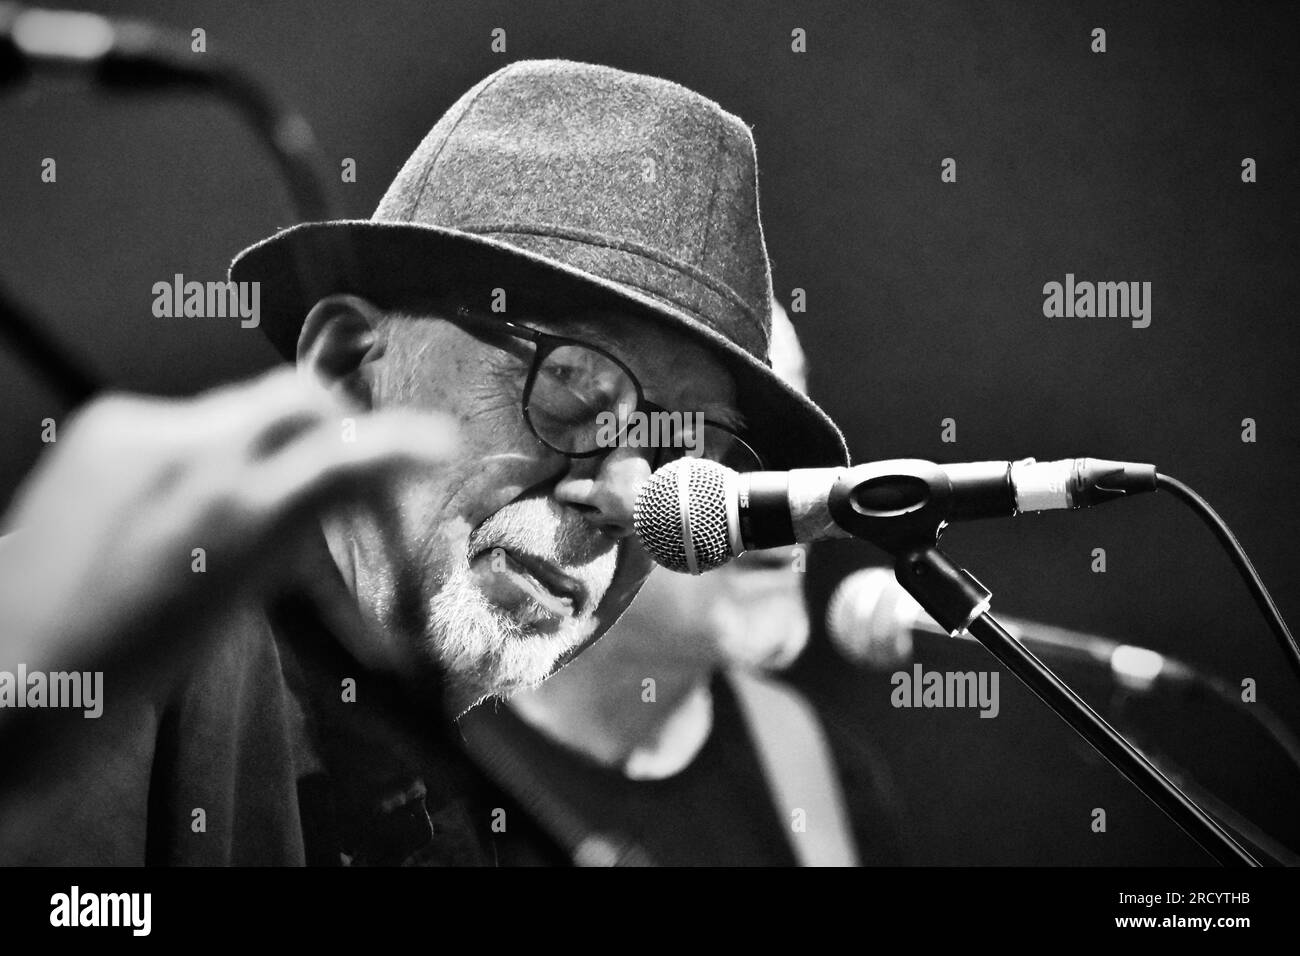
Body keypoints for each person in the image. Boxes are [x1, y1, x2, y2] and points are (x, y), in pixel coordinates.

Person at [0, 59, 848, 865]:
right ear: (345, 366)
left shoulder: (461, 799)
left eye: (678, 442)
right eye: (573, 384)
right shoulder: (104, 667)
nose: (624, 494)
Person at [459, 304, 903, 866]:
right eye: (711, 448)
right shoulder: (418, 774)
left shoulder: (824, 774)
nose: (787, 499)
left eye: (794, 448)